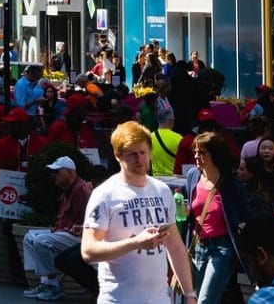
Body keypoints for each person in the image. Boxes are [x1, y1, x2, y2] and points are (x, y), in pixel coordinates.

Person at [82, 121, 197, 304]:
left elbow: (175, 246)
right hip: (118, 299)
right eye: (132, 154)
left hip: (159, 299)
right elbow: (88, 251)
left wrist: (190, 294)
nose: (140, 159)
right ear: (118, 156)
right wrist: (136, 242)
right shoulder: (104, 194)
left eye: (143, 152)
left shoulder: (162, 190)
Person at [189, 130, 256, 304]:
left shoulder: (231, 185)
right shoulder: (192, 177)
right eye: (195, 151)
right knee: (197, 298)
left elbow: (248, 217)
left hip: (222, 249)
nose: (196, 156)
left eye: (202, 152)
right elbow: (189, 212)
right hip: (197, 247)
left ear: (215, 154)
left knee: (205, 300)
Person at [23, 155, 94, 301]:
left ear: (70, 172)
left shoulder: (80, 189)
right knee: (29, 238)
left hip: (77, 236)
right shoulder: (67, 189)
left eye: (57, 172)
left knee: (41, 241)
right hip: (65, 232)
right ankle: (45, 282)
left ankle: (54, 285)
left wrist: (63, 229)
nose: (53, 175)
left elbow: (83, 221)